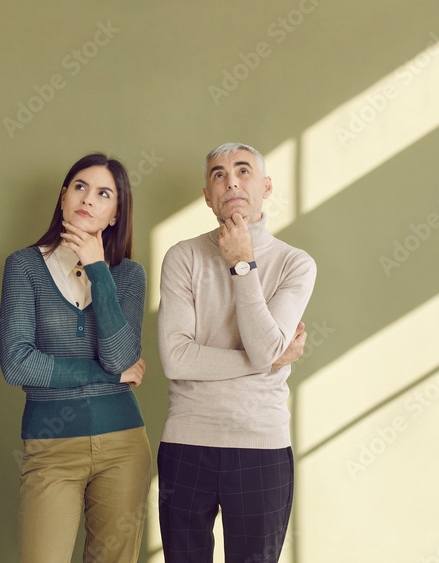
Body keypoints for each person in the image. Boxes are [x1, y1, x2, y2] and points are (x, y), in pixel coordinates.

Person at [156, 142, 316, 563]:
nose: (231, 181)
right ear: (208, 196)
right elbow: (175, 358)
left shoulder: (295, 263)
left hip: (261, 446)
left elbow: (265, 347)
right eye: (218, 174)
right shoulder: (182, 257)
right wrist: (264, 361)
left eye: (243, 171)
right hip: (186, 443)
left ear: (265, 186)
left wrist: (242, 263)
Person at [0, 153, 151, 563]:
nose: (88, 199)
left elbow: (120, 358)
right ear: (64, 196)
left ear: (116, 213)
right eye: (80, 186)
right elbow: (17, 362)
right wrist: (104, 374)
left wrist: (98, 268)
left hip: (124, 444)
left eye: (104, 194)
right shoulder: (24, 266)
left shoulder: (128, 274)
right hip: (50, 448)